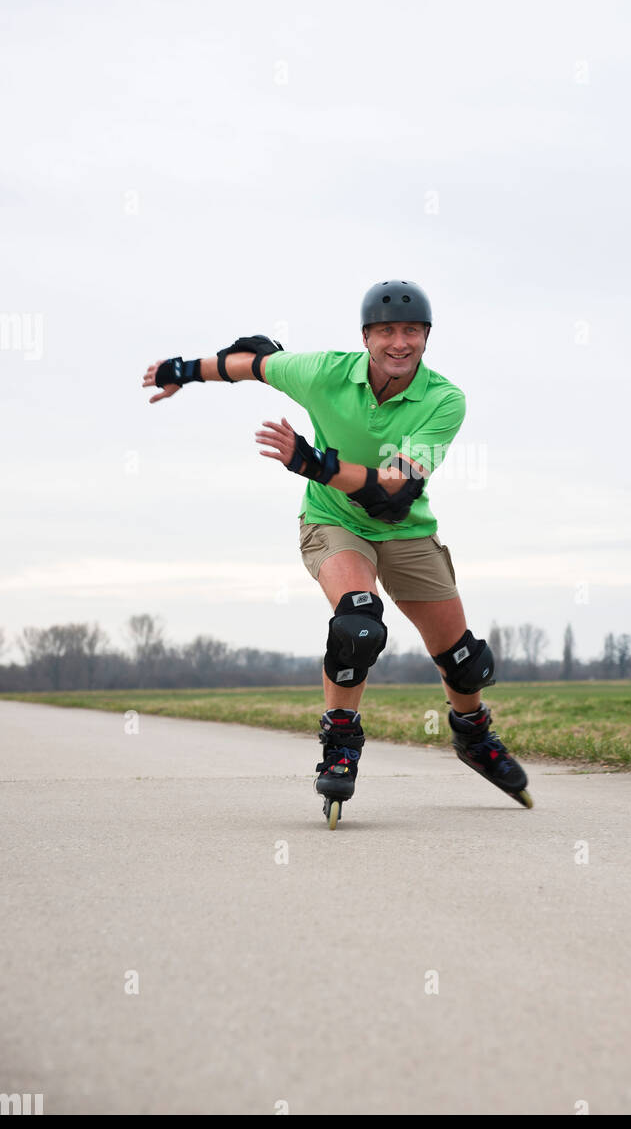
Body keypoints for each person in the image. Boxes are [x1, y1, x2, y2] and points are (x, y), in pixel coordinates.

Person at [142, 279, 531, 826]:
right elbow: (251, 361)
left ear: (426, 337)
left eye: (412, 332)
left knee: (466, 661)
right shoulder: (325, 373)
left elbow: (393, 493)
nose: (400, 343)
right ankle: (341, 742)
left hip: (405, 530)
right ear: (366, 337)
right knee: (359, 625)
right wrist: (181, 371)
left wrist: (313, 462)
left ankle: (472, 735)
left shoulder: (444, 400)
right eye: (387, 332)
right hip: (334, 522)